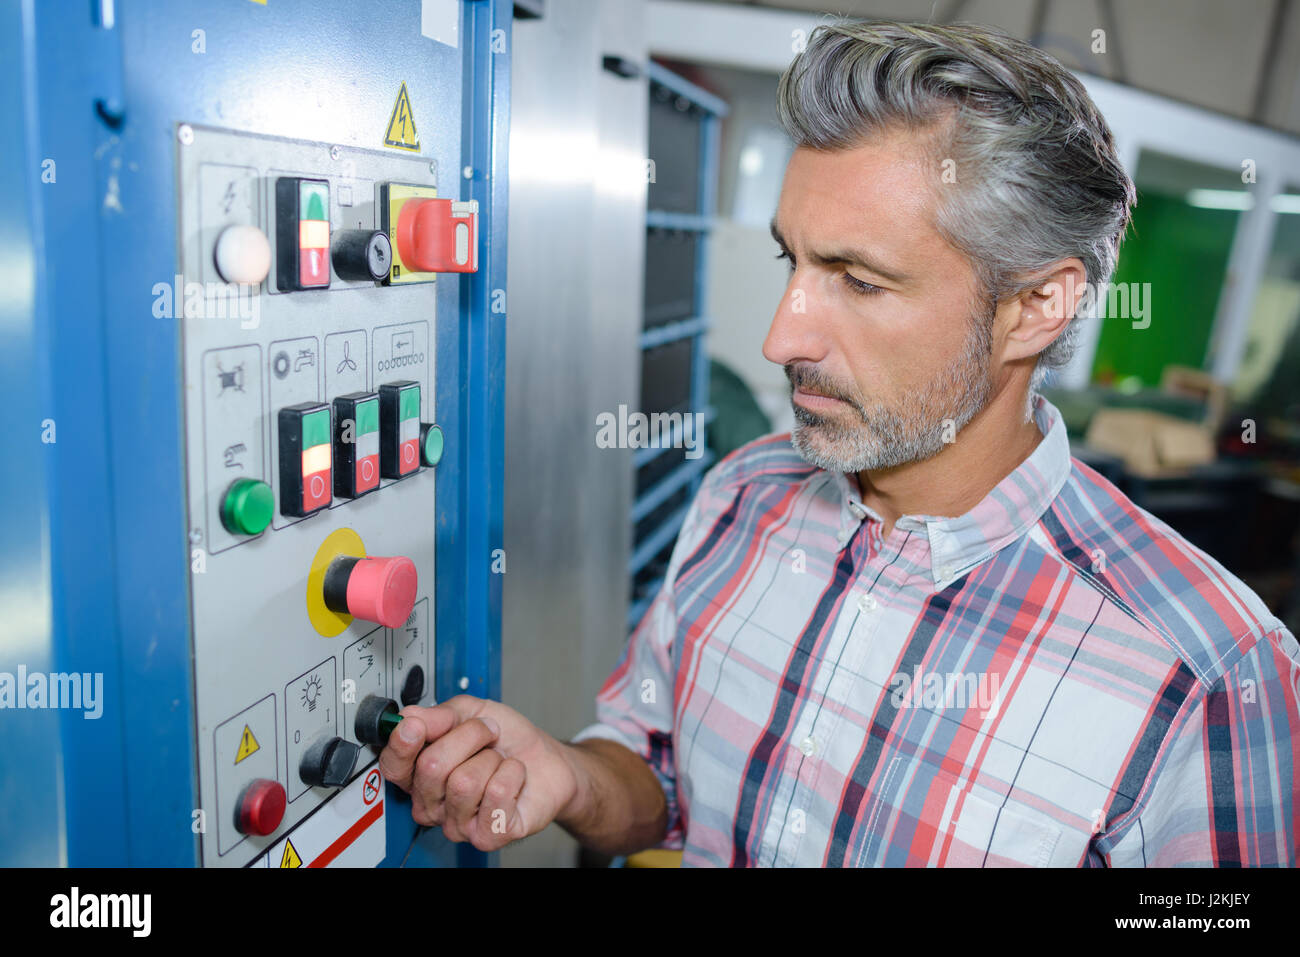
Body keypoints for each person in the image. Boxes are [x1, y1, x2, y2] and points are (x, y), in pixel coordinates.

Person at [379, 19, 1300, 866]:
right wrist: (575, 776)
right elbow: (658, 774)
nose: (782, 338)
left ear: (1034, 308)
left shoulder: (1209, 678)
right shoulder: (744, 495)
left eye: (858, 281)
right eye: (795, 260)